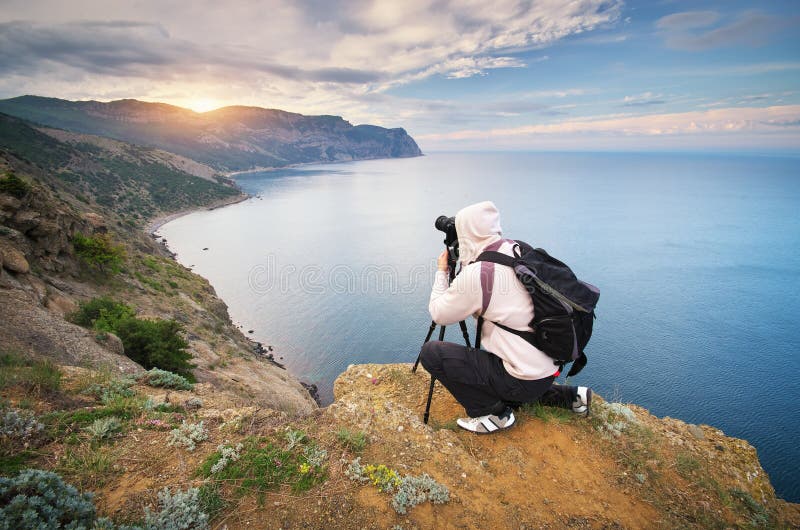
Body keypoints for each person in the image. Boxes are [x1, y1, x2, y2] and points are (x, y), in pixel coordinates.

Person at [419, 201, 592, 434]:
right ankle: (571, 396)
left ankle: (495, 414)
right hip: (547, 369)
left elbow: (438, 313)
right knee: (515, 371)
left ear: (466, 233)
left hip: (523, 378)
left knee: (431, 353)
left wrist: (442, 272)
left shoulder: (477, 275)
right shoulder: (517, 249)